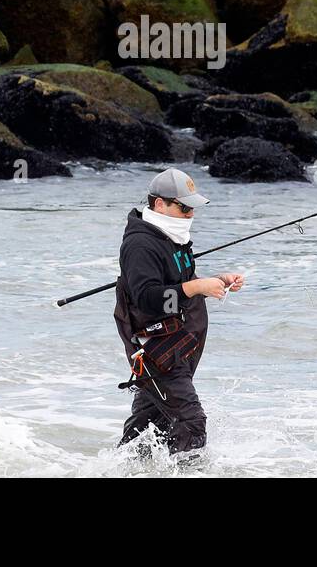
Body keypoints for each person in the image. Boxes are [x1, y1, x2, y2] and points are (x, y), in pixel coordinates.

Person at [113, 167, 244, 455]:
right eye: (185, 208)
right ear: (160, 204)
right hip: (157, 348)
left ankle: (113, 471)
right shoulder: (140, 244)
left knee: (147, 430)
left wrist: (217, 281)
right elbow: (148, 299)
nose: (191, 215)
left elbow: (179, 287)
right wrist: (198, 288)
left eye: (193, 208)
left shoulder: (173, 236)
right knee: (191, 422)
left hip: (179, 344)